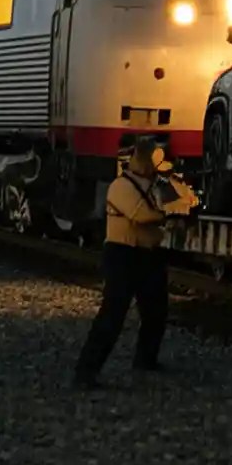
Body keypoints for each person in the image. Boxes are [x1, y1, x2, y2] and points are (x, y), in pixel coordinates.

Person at [73, 135, 172, 389]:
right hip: (123, 254)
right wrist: (167, 214)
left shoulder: (156, 184)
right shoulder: (120, 186)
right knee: (112, 314)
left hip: (149, 253)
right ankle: (86, 371)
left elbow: (174, 205)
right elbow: (141, 214)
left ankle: (146, 358)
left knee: (156, 311)